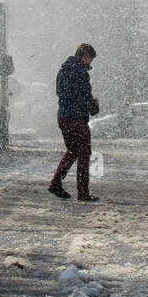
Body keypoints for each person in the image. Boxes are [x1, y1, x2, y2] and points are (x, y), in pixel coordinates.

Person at [48, 42, 99, 202]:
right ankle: (83, 193)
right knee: (84, 153)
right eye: (91, 59)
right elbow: (84, 96)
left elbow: (62, 93)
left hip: (63, 117)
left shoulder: (62, 71)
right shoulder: (81, 73)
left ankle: (56, 183)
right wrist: (94, 106)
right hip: (76, 118)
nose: (90, 63)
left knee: (73, 150)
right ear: (86, 56)